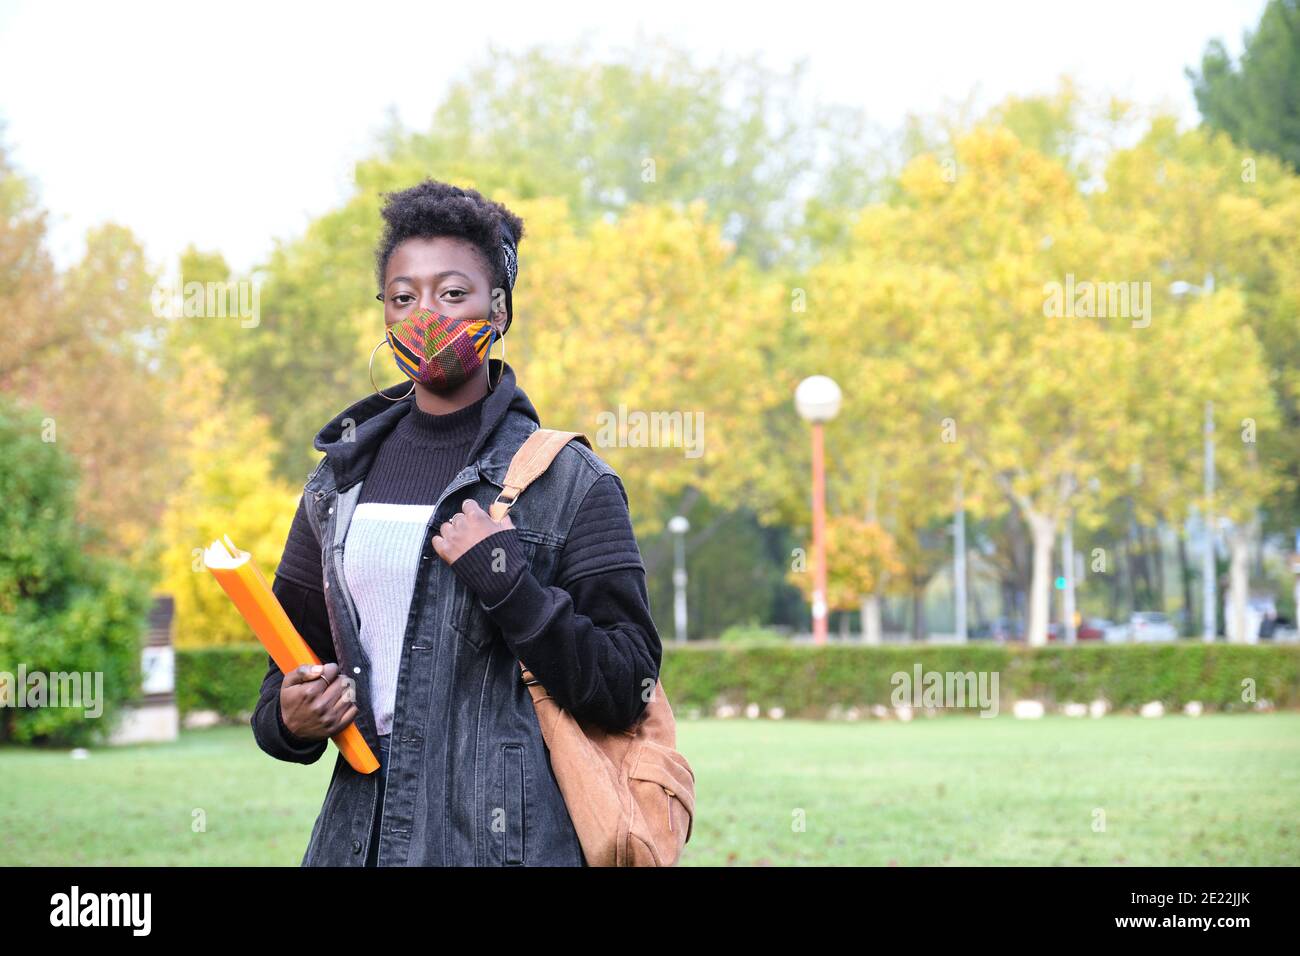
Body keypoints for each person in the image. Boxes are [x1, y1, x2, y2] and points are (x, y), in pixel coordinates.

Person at [250, 180, 662, 866]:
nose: (426, 316)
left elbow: (628, 687)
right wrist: (292, 720)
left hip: (507, 845)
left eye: (452, 293)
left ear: (498, 308)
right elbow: (281, 685)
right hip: (358, 842)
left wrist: (510, 584)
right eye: (403, 297)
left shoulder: (569, 480)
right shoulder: (336, 485)